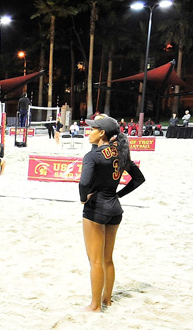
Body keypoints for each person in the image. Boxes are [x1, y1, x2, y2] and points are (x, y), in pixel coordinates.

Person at [78, 115, 145, 312]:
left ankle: (95, 306)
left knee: (95, 260)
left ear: (102, 133)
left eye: (93, 129)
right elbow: (138, 178)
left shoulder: (93, 156)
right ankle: (107, 300)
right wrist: (119, 194)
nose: (89, 132)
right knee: (107, 258)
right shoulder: (120, 152)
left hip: (96, 208)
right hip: (115, 208)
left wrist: (83, 198)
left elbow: (84, 182)